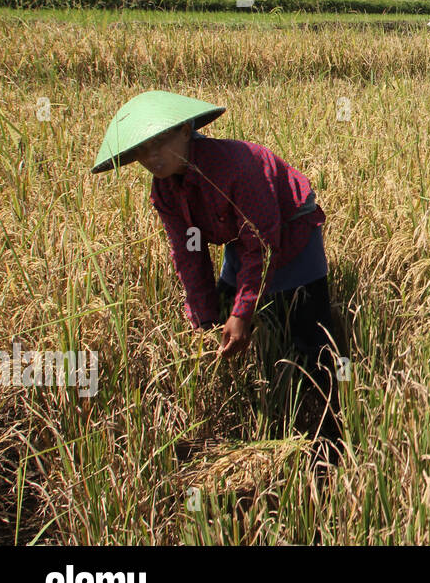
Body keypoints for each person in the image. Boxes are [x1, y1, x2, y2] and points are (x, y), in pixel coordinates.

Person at [91, 90, 340, 446]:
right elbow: (189, 251)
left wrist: (243, 313)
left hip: (290, 233)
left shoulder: (235, 167)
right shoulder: (165, 191)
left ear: (186, 130)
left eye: (160, 142)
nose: (152, 158)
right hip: (240, 238)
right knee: (224, 312)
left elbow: (263, 245)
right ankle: (262, 406)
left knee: (309, 333)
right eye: (141, 150)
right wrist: (203, 318)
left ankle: (330, 427)